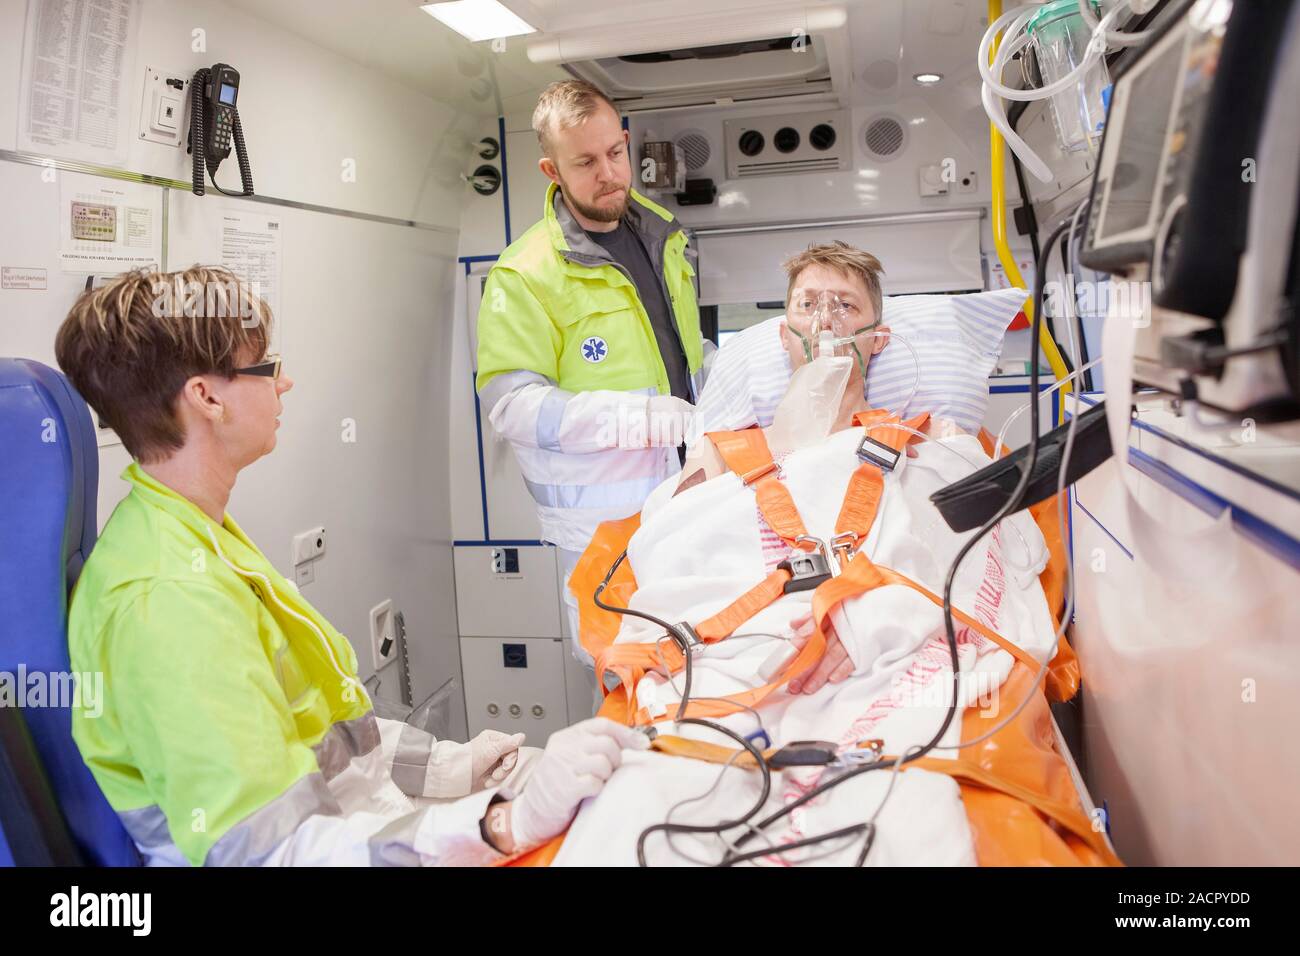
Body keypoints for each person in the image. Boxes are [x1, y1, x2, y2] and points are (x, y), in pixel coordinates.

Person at [55, 265, 648, 866]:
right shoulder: (168, 600)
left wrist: (450, 768)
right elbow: (271, 856)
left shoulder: (192, 534)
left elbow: (325, 744)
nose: (284, 382)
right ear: (206, 398)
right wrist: (503, 822)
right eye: (265, 366)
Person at [474, 79, 708, 686]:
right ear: (552, 169)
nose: (608, 173)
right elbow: (512, 407)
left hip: (691, 502)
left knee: (705, 683)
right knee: (627, 691)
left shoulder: (663, 237)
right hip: (605, 536)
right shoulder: (523, 275)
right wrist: (639, 418)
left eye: (614, 153)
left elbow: (680, 358)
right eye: (584, 162)